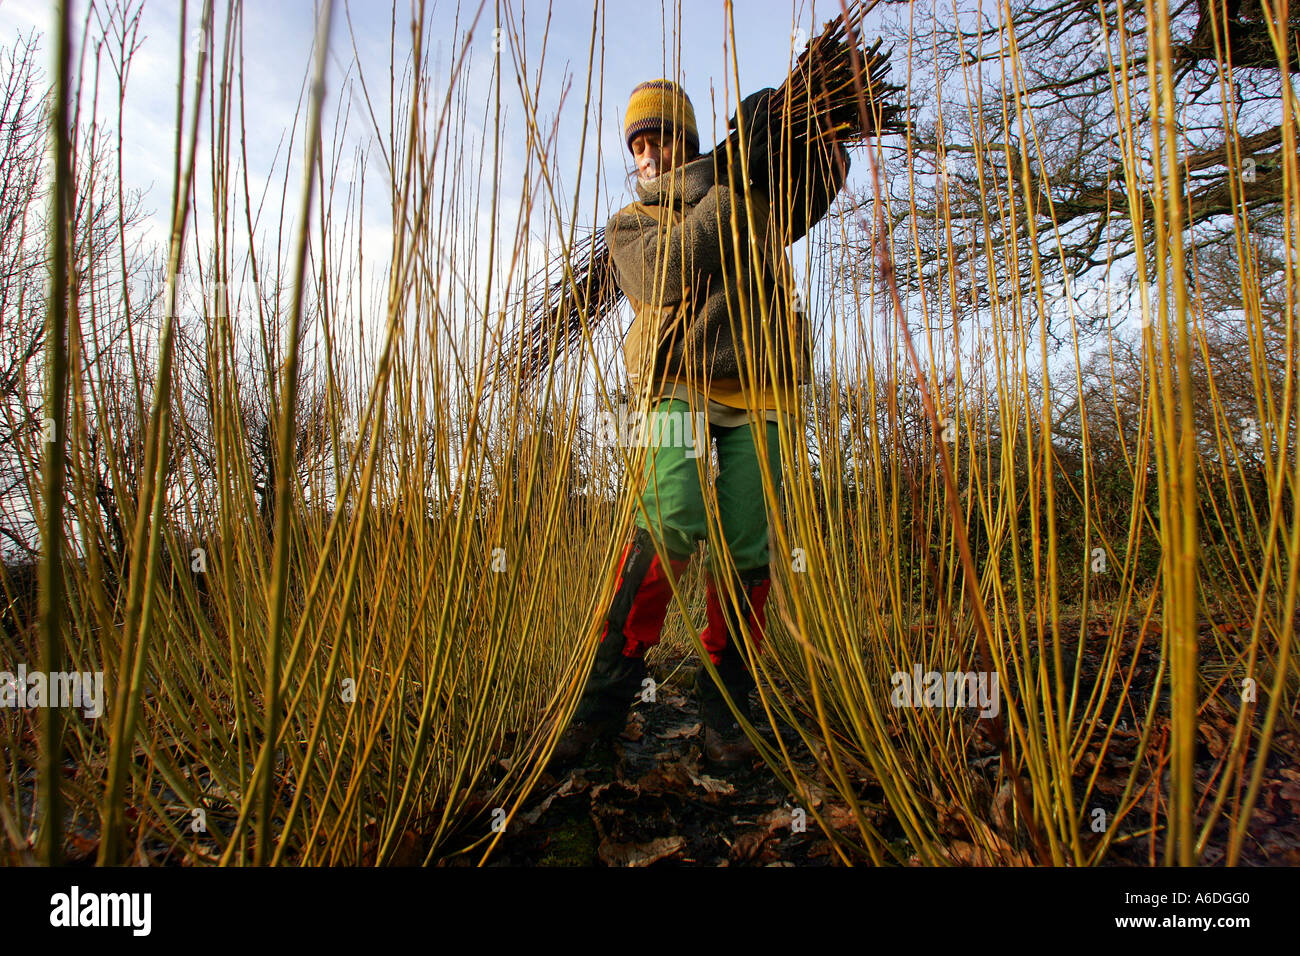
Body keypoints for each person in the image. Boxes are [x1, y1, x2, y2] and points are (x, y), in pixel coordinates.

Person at [549, 77, 849, 770]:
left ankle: (727, 705)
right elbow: (662, 276)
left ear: (686, 140)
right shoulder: (632, 223)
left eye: (662, 141)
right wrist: (732, 188)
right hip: (675, 378)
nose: (651, 155)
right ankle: (600, 710)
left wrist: (808, 139)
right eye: (640, 145)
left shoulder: (757, 191)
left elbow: (818, 190)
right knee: (674, 515)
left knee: (749, 540)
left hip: (762, 380)